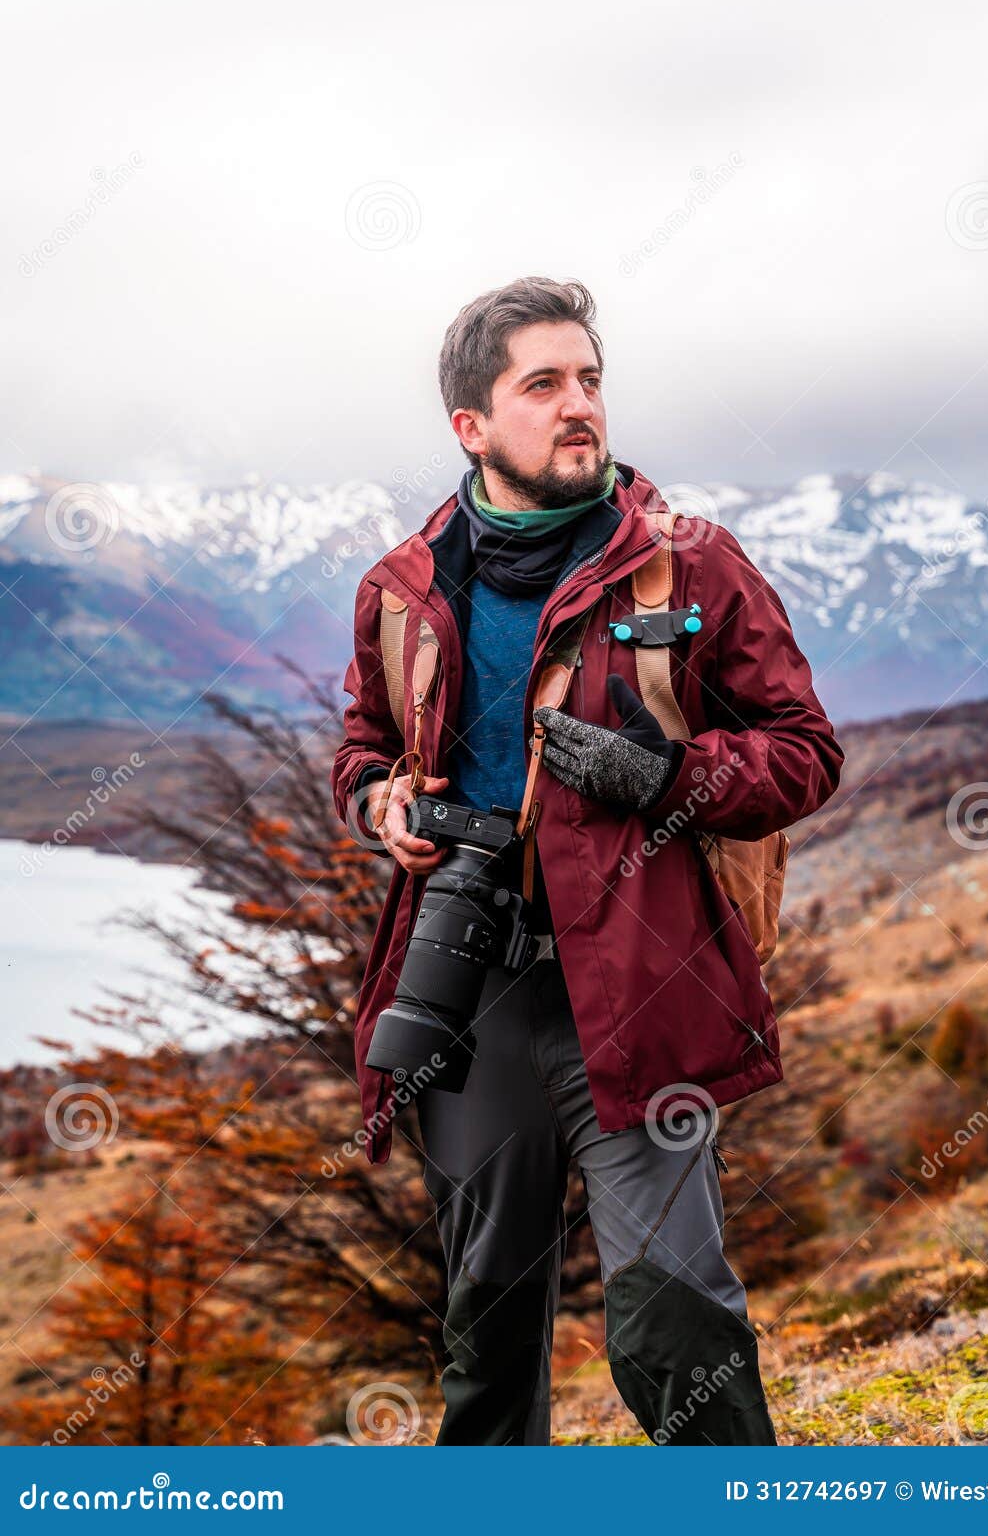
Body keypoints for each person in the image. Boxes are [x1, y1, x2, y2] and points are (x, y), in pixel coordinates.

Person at [330, 276, 844, 1445]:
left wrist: (662, 776)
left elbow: (805, 755)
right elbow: (362, 742)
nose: (580, 407)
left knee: (671, 1307)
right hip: (471, 991)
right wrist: (378, 800)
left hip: (640, 981)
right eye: (544, 384)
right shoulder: (403, 590)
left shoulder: (690, 563)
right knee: (486, 1317)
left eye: (590, 380)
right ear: (471, 425)